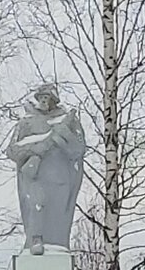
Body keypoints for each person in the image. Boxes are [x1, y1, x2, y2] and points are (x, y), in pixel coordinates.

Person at [6, 83, 86, 254]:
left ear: (54, 100)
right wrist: (37, 147)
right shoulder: (26, 122)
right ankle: (35, 240)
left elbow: (78, 149)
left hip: (59, 178)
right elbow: (12, 150)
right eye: (41, 97)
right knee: (37, 205)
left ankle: (56, 247)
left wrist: (62, 137)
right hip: (35, 177)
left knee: (58, 222)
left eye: (48, 97)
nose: (44, 101)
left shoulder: (68, 121)